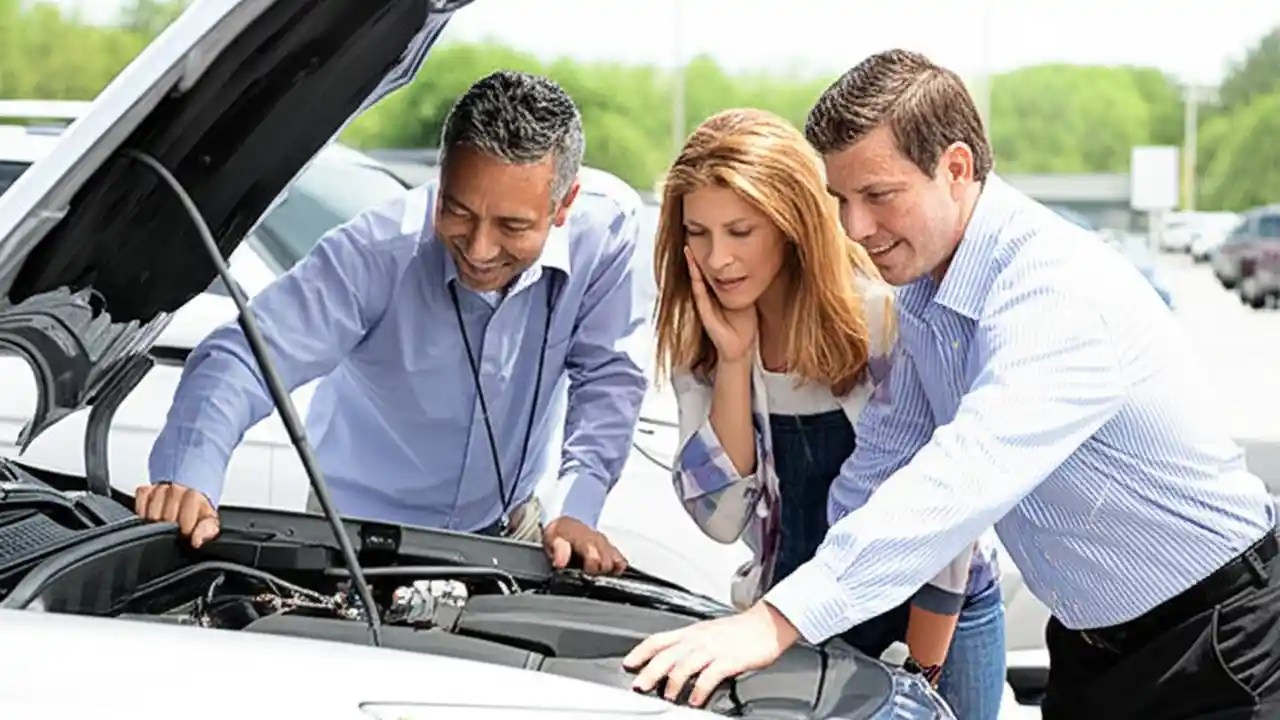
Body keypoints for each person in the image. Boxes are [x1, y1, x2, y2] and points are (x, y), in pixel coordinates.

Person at [624, 48, 1280, 719]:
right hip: (1091, 648)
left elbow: (963, 475)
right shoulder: (922, 297)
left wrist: (777, 621)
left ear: (956, 168)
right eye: (841, 200)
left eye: (878, 196)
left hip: (1218, 641)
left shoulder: (1052, 293)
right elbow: (881, 465)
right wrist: (801, 621)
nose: (855, 228)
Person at [134, 70, 653, 576]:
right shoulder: (377, 251)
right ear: (441, 173)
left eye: (512, 226)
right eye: (458, 211)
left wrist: (577, 508)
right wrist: (189, 479)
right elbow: (244, 358)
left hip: (514, 532)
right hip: (358, 543)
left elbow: (606, 376)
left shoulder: (605, 233)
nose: (478, 249)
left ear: (564, 206)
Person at [650, 107, 1004, 716]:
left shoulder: (883, 320)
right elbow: (720, 518)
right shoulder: (703, 341)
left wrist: (921, 675)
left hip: (934, 620)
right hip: (799, 620)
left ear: (792, 226)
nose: (717, 259)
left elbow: (947, 518)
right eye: (698, 233)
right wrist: (734, 363)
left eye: (741, 232)